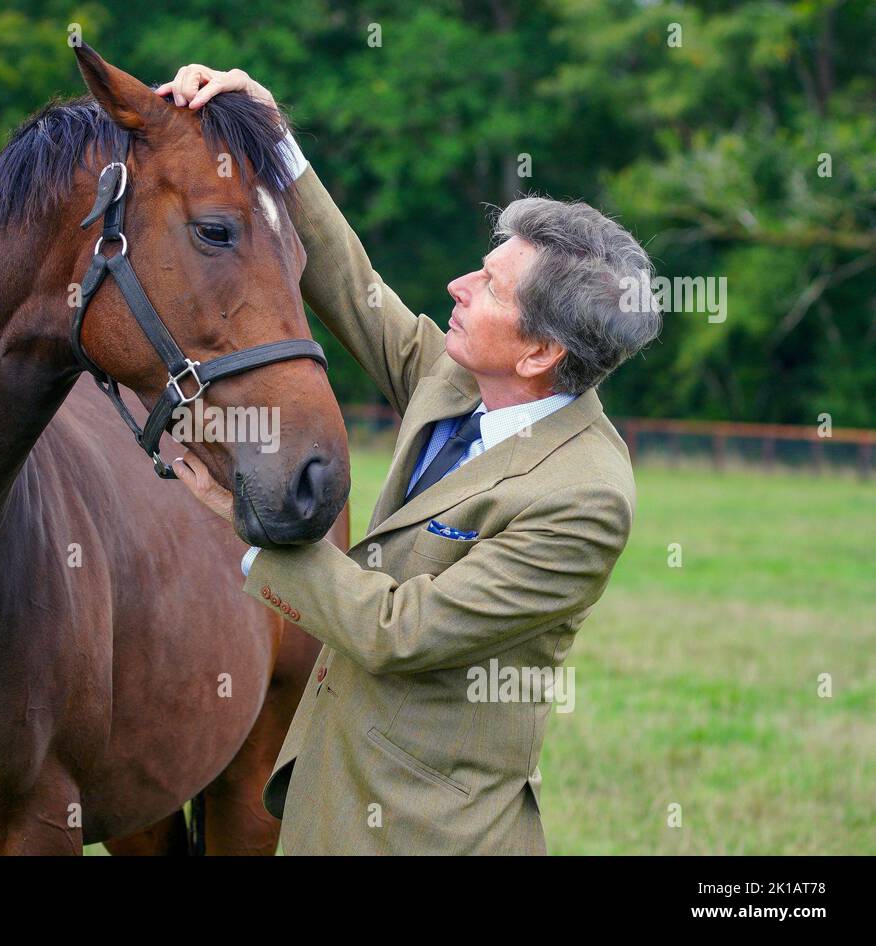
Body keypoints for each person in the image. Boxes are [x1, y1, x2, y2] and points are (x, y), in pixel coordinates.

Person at [162, 64, 662, 855]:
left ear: (539, 350)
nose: (459, 286)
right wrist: (271, 134)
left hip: (427, 832)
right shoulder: (460, 378)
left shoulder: (585, 498)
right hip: (329, 796)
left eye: (490, 287)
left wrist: (249, 529)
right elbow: (355, 287)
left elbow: (403, 631)